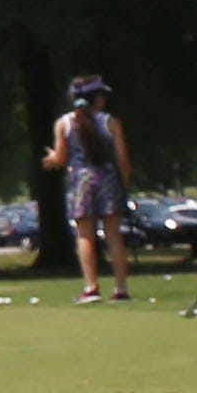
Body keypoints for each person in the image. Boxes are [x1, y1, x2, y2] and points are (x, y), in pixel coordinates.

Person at [45, 76, 134, 302]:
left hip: (81, 179)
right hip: (108, 177)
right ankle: (121, 289)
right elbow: (122, 158)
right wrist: (125, 182)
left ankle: (91, 287)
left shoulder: (63, 123)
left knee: (85, 236)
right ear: (97, 99)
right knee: (114, 236)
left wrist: (53, 158)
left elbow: (62, 158)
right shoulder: (110, 122)